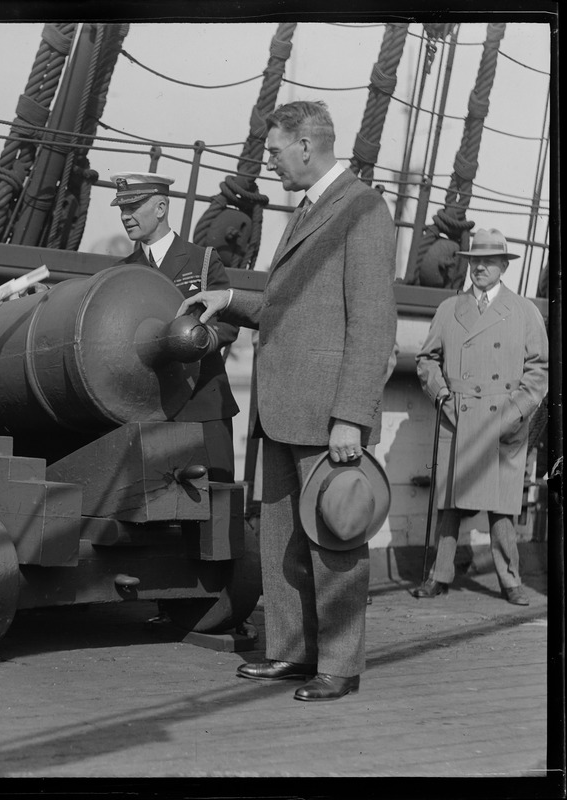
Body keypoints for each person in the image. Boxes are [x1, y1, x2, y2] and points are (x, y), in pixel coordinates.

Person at [177, 100, 397, 701]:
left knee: (333, 539)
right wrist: (229, 302)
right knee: (281, 540)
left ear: (306, 145)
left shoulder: (363, 209)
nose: (270, 162)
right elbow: (289, 306)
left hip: (327, 415)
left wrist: (350, 417)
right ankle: (292, 653)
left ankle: (338, 666)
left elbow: (373, 324)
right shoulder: (308, 210)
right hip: (281, 410)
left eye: (275, 151)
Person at [413, 229, 548, 605]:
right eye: (475, 261)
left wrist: (516, 412)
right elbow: (426, 360)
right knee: (449, 503)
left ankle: (511, 580)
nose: (480, 268)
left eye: (489, 261)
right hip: (457, 416)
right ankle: (439, 575)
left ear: (504, 266)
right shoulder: (449, 309)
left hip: (504, 419)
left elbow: (539, 370)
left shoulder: (524, 311)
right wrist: (441, 395)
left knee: (502, 507)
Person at [111, 172, 239, 482]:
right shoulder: (121, 273)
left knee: (217, 500)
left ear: (160, 208)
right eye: (122, 209)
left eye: (133, 208)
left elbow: (228, 324)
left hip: (203, 407)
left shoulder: (202, 261)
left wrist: (196, 341)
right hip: (149, 411)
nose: (125, 216)